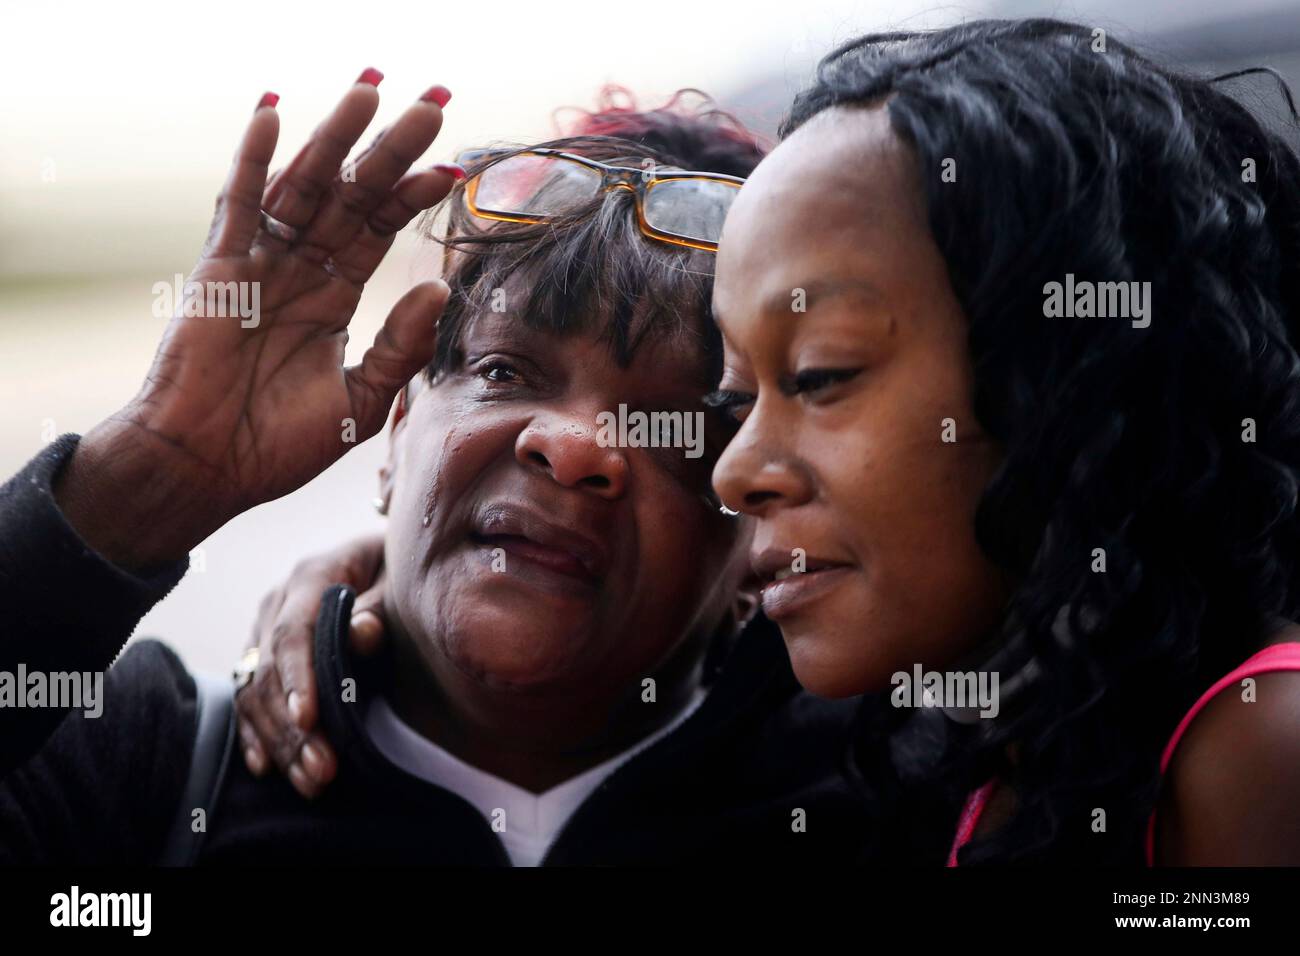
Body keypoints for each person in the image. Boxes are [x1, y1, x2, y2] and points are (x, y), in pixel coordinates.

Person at [0, 76, 874, 865]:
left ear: (757, 517)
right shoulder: (144, 764)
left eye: (674, 422)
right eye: (503, 372)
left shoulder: (890, 787)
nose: (571, 448)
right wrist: (141, 484)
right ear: (397, 436)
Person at [707, 19, 1300, 864]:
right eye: (736, 397)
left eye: (819, 374)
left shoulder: (1258, 746)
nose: (734, 472)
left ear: (1082, 370)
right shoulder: (1002, 750)